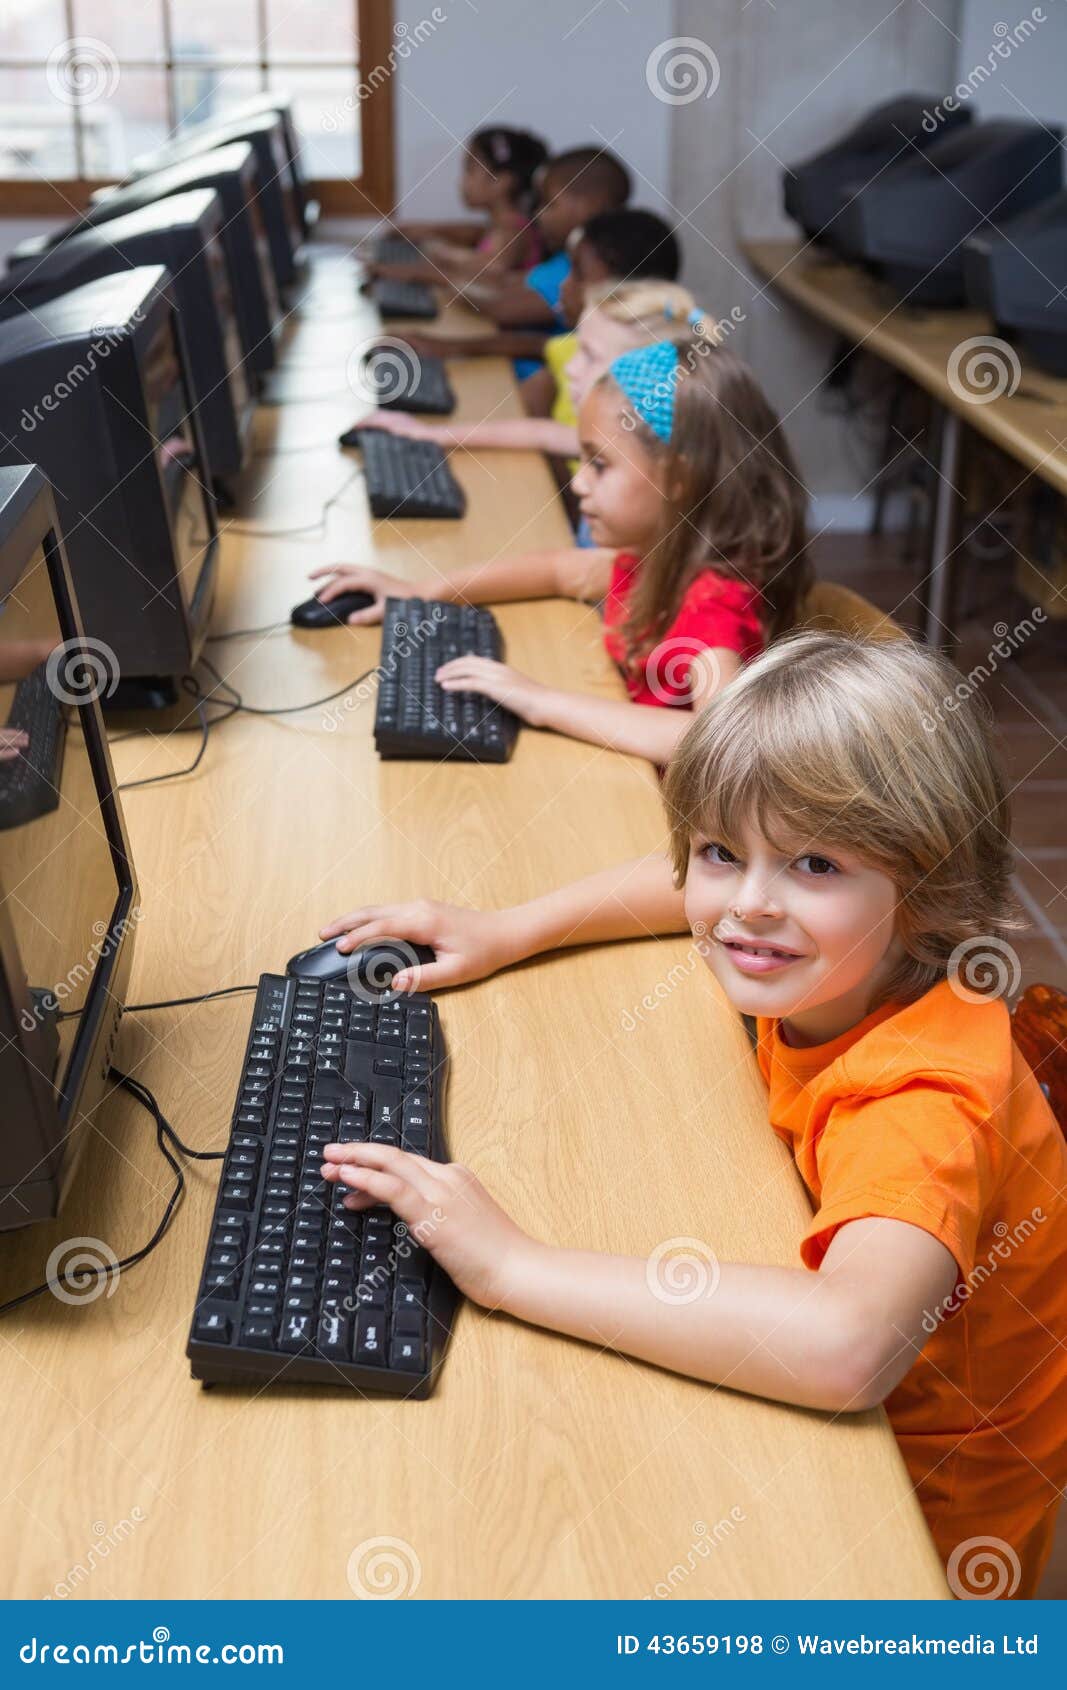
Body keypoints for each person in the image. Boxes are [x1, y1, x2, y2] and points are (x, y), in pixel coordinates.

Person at [320, 632, 1067, 1598]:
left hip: (929, 1494)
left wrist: (513, 1267)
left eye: (815, 865)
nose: (747, 906)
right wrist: (504, 929)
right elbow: (680, 890)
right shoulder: (830, 951)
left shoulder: (922, 1100)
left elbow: (846, 1348)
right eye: (724, 850)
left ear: (928, 892)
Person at [313, 340, 810, 766]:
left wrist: (541, 701)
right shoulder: (659, 557)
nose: (578, 483)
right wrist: (424, 591)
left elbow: (720, 744)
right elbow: (559, 571)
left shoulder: (712, 606)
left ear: (678, 480)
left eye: (600, 465)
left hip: (653, 816)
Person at [368, 127, 547, 284]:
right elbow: (471, 233)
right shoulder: (500, 224)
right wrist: (421, 231)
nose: (462, 182)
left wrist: (437, 254)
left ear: (501, 182)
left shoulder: (512, 229)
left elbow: (492, 271)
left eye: (470, 170)